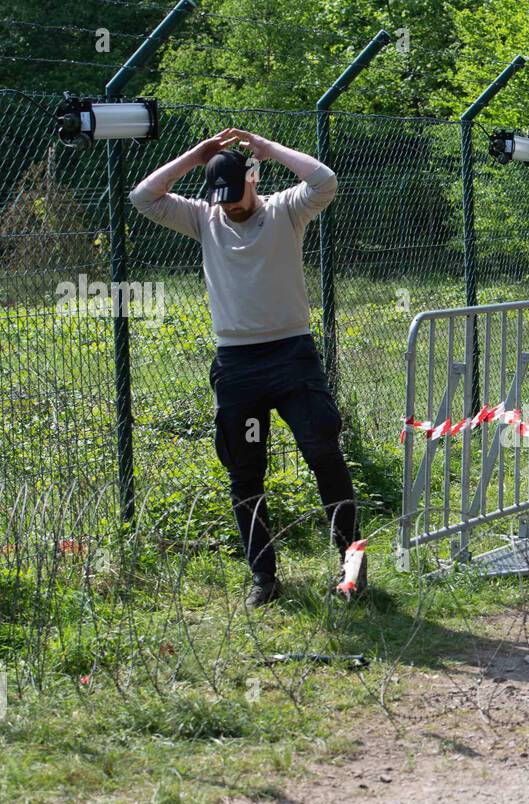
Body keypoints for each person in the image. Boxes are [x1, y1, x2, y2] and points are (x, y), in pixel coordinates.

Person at [129, 128, 362, 607]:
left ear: (253, 180)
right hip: (238, 366)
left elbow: (325, 181)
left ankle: (351, 566)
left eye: (236, 196)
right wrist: (194, 156)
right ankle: (264, 578)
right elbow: (143, 197)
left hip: (292, 357)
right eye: (221, 198)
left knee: (323, 450)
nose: (230, 207)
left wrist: (267, 147)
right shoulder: (203, 217)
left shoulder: (285, 210)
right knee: (245, 469)